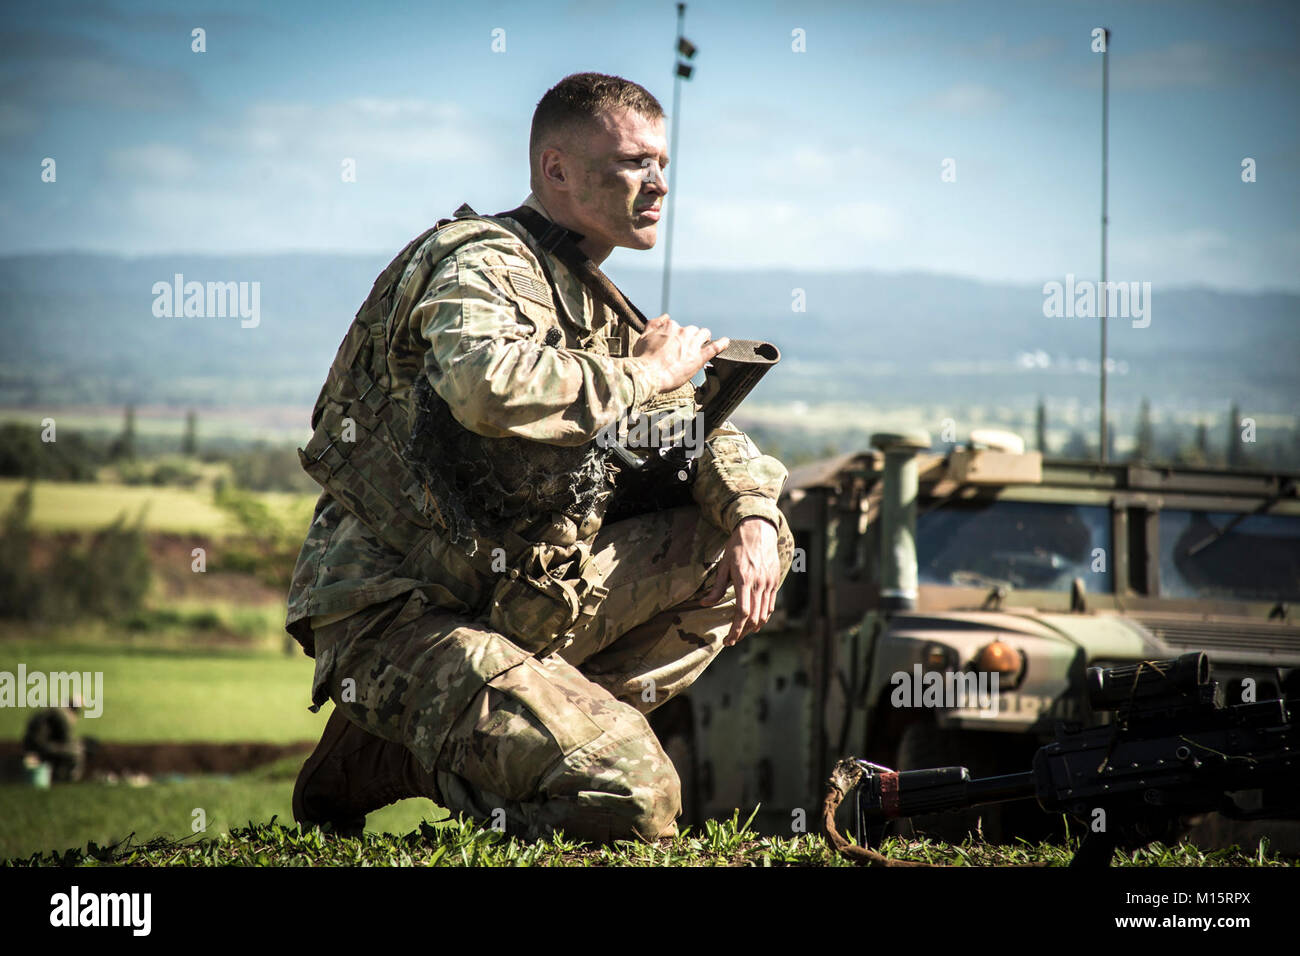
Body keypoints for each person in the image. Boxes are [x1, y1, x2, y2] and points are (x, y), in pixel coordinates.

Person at [286, 72, 795, 843]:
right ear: (555, 169)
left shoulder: (597, 304)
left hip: (510, 599)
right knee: (634, 795)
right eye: (631, 163)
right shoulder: (481, 262)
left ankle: (518, 728)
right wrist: (646, 372)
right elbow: (485, 385)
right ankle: (415, 758)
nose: (657, 184)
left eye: (662, 163)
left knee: (756, 539)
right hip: (400, 610)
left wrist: (754, 514)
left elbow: (696, 433)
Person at [22, 697, 86, 783]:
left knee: (65, 749)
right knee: (77, 751)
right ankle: (69, 781)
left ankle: (57, 776)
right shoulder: (63, 714)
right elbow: (67, 738)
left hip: (30, 744)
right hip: (40, 747)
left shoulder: (54, 709)